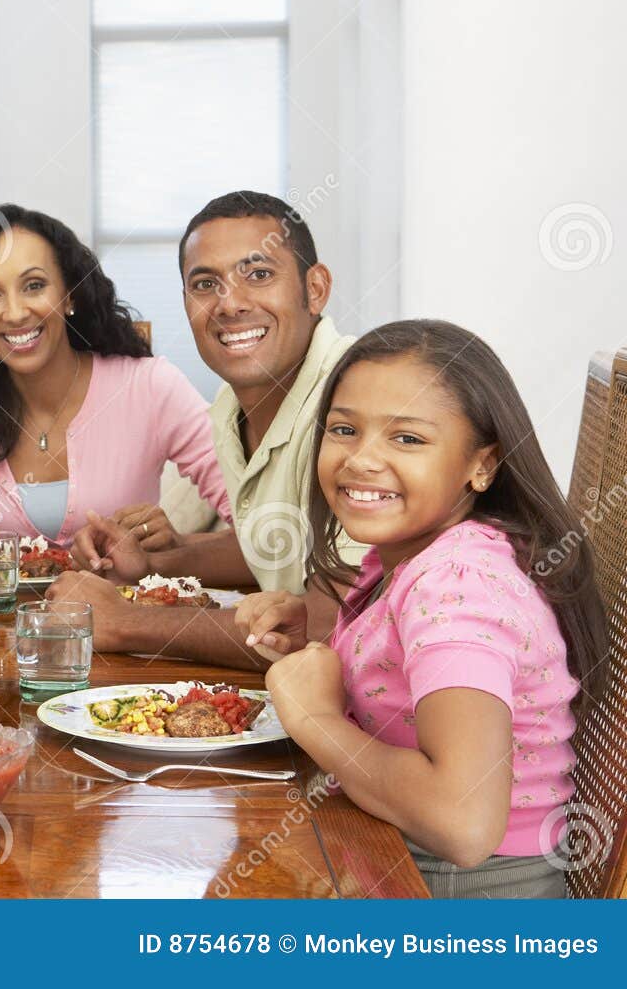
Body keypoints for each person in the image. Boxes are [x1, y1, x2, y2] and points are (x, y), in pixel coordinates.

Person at [240, 320, 606, 896]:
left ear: (481, 465)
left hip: (464, 895)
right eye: (344, 429)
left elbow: (462, 824)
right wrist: (330, 654)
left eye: (406, 438)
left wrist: (317, 719)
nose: (361, 459)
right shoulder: (415, 558)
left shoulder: (456, 584)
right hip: (400, 854)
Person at [51, 190, 362, 666]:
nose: (229, 303)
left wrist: (122, 622)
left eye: (258, 274)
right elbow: (283, 543)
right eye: (204, 284)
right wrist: (156, 562)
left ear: (314, 288)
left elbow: (324, 625)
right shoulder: (228, 406)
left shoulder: (358, 405)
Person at [0, 203, 230, 545]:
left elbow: (252, 516)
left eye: (34, 285)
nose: (16, 312)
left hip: (121, 599)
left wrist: (177, 548)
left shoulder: (150, 386)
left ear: (68, 295)